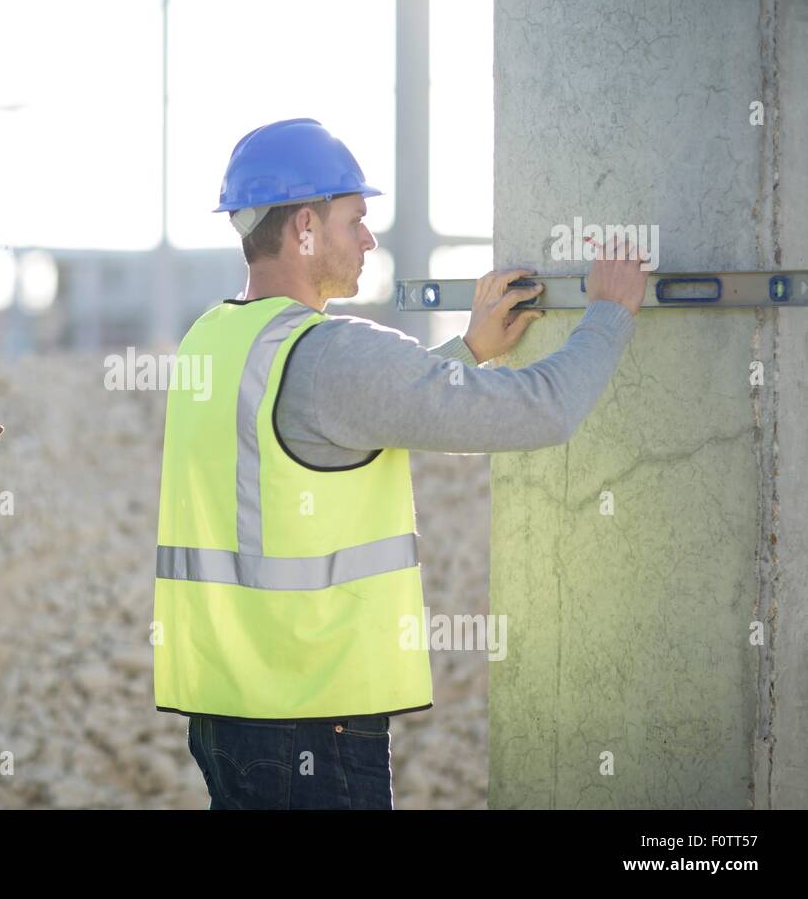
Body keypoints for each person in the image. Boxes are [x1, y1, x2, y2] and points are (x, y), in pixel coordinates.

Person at [153, 118, 648, 809]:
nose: (368, 239)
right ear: (303, 227)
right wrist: (609, 313)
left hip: (227, 719)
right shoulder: (332, 352)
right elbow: (542, 410)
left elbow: (331, 424)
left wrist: (467, 354)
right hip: (313, 722)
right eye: (354, 219)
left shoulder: (213, 340)